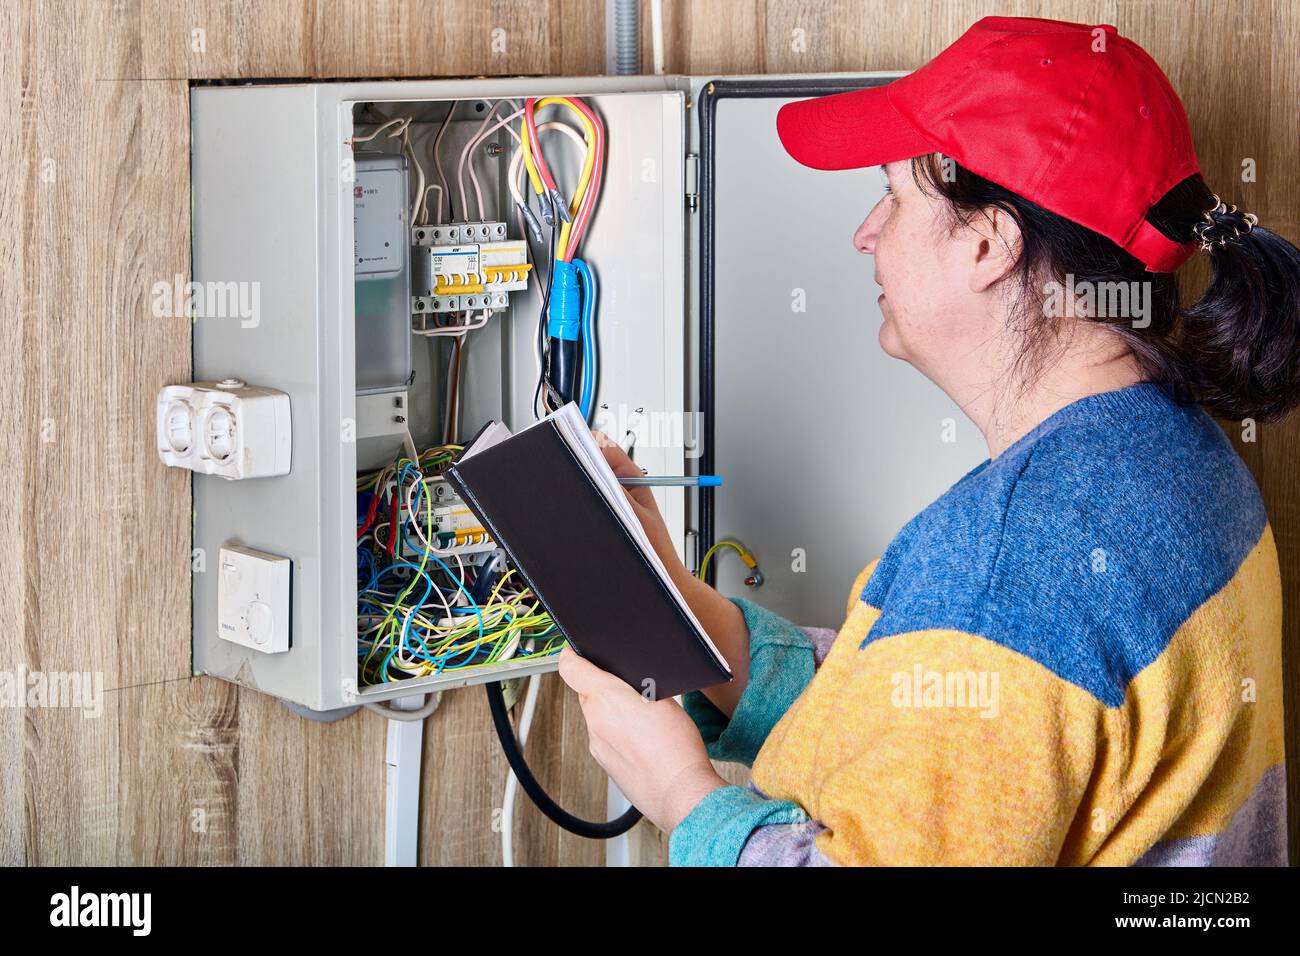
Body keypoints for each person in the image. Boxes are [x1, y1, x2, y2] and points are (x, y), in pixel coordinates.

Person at [558, 15, 1299, 866]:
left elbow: (980, 675)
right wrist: (681, 609)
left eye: (894, 195)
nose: (866, 232)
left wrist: (679, 792)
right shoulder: (1178, 452)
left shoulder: (1008, 565)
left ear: (990, 243)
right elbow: (950, 714)